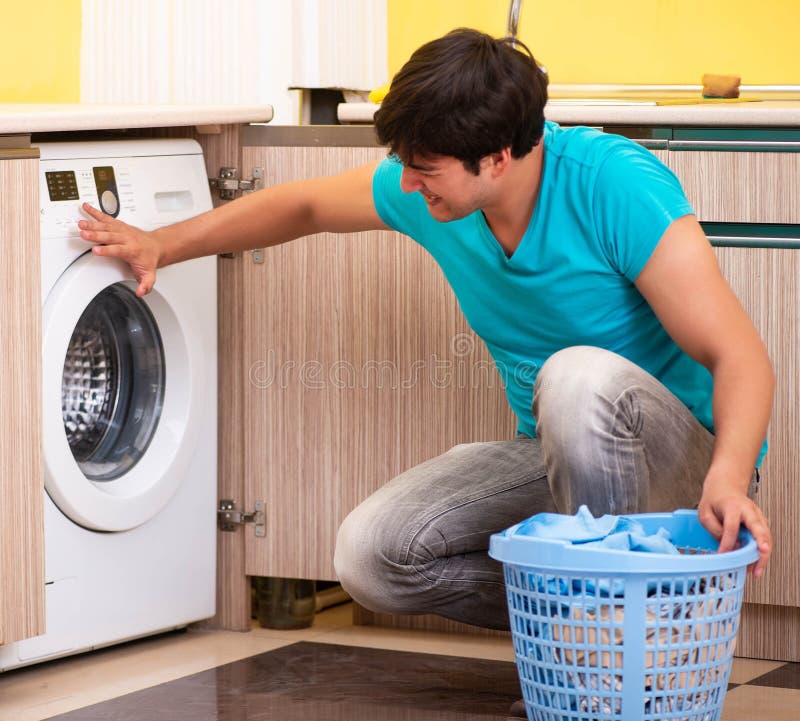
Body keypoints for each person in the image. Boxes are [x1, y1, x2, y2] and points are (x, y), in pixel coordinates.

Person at [79, 29, 773, 633]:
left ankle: (600, 651)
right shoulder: (438, 186)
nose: (407, 186)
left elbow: (740, 356)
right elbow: (307, 204)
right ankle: (611, 618)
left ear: (497, 157)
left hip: (686, 469)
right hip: (563, 458)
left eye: (424, 169)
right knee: (372, 555)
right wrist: (161, 244)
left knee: (576, 375)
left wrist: (730, 478)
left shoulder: (612, 184)